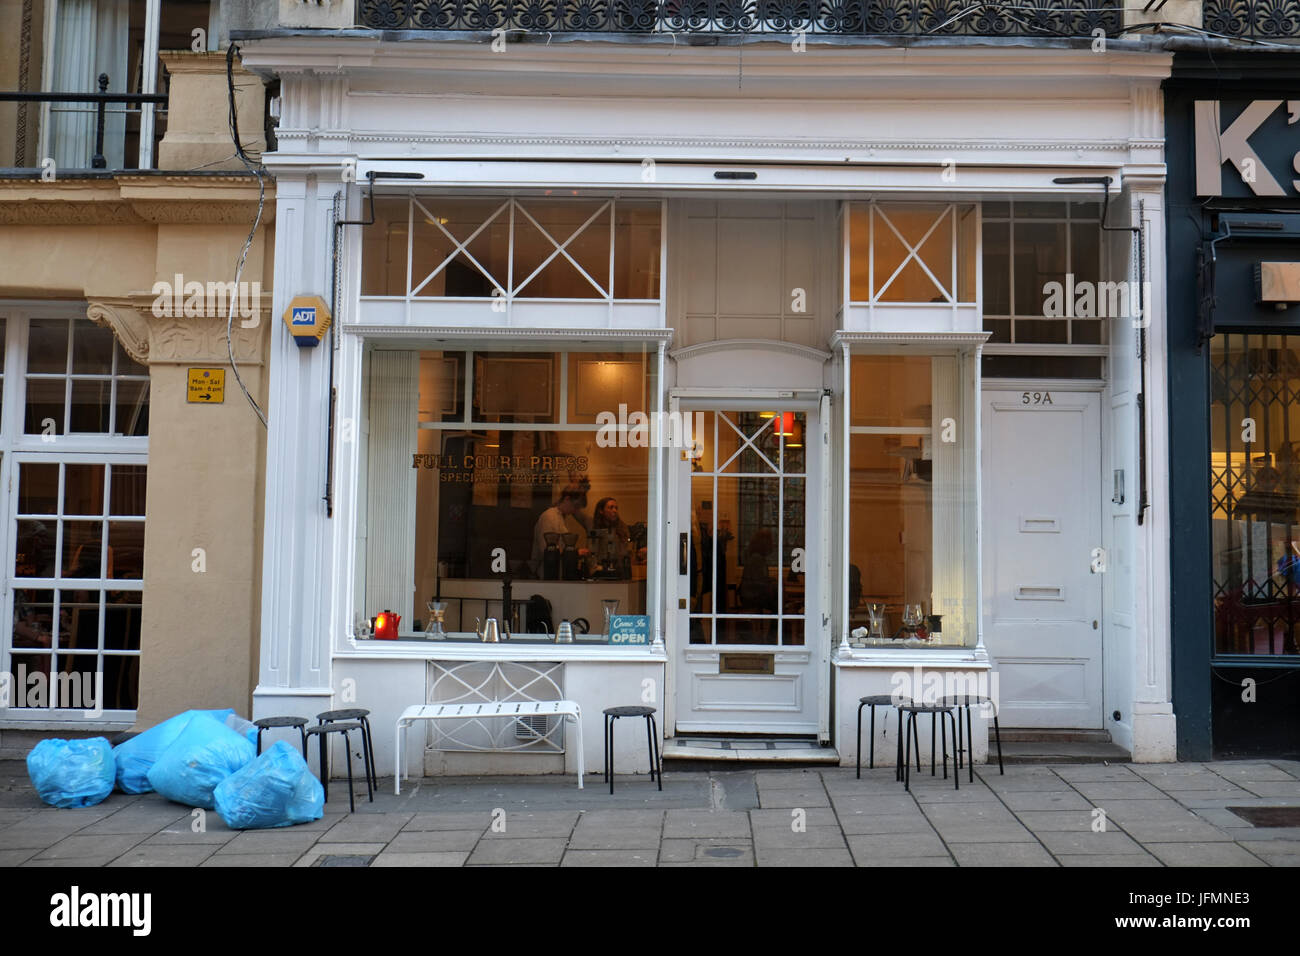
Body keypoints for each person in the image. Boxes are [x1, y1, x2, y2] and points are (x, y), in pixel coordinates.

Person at [530, 488, 588, 577]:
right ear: (567, 499)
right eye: (575, 506)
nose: (575, 511)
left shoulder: (559, 517)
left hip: (556, 572)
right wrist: (575, 553)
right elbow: (546, 549)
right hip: (548, 573)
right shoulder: (549, 516)